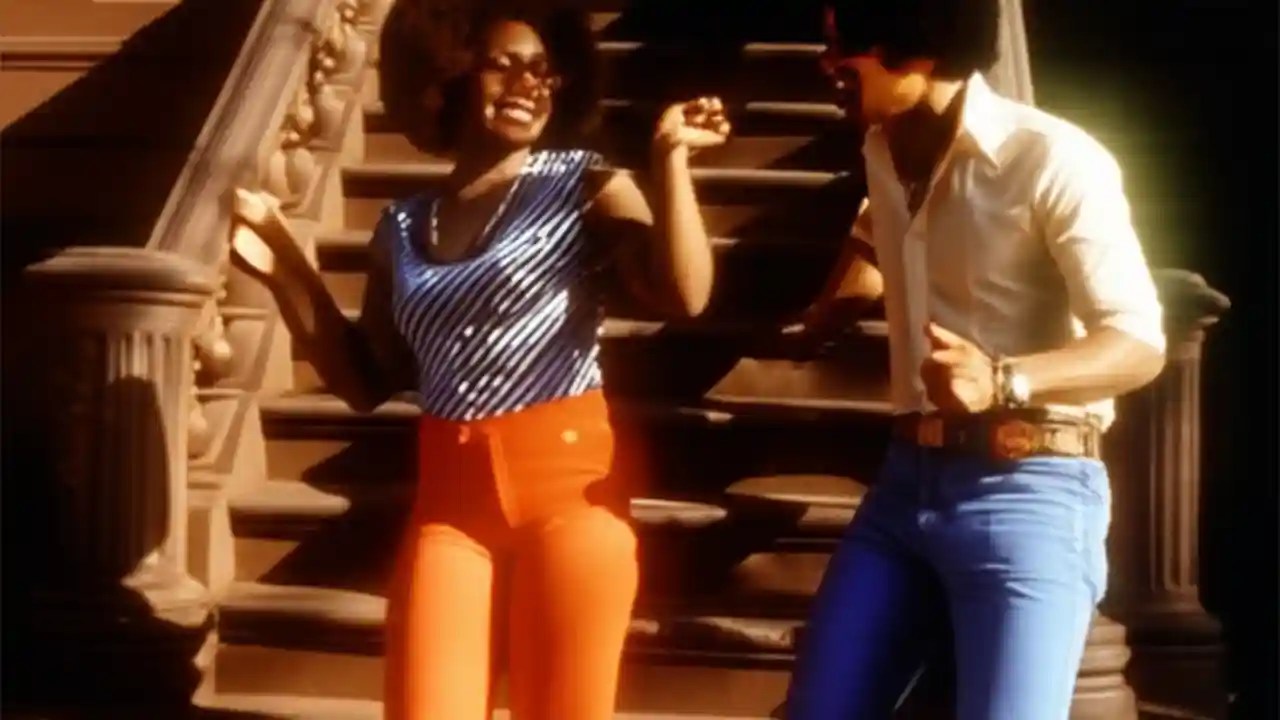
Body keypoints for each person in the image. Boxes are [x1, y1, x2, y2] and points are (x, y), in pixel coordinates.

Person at [229, 1, 730, 718]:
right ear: (452, 71)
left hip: (570, 501)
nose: (529, 84)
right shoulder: (401, 226)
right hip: (452, 511)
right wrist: (286, 267)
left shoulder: (583, 182)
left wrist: (670, 162)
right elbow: (366, 383)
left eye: (543, 70)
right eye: (504, 64)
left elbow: (683, 294)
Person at [784, 1, 1168, 718]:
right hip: (905, 488)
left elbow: (1139, 342)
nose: (825, 66)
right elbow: (882, 228)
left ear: (920, 50)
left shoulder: (1052, 158)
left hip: (1031, 490)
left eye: (844, 50)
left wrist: (1003, 379)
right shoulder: (882, 146)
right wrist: (829, 309)